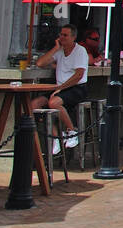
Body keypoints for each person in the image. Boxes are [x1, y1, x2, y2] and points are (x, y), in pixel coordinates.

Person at [33, 25, 86, 154]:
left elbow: (79, 75)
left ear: (73, 37)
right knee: (34, 105)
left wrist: (61, 88)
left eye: (65, 35)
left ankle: (72, 131)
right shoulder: (60, 51)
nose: (61, 37)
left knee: (53, 103)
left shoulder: (80, 51)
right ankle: (55, 137)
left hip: (76, 88)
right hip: (59, 88)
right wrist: (56, 48)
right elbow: (40, 63)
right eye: (61, 34)